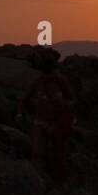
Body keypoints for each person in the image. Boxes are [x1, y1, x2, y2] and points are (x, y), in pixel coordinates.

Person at [22, 53, 74, 182]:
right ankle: (39, 181)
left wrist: (62, 106)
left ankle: (58, 182)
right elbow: (26, 99)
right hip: (42, 122)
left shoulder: (60, 82)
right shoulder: (38, 83)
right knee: (39, 153)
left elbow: (72, 100)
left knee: (57, 154)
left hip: (56, 123)